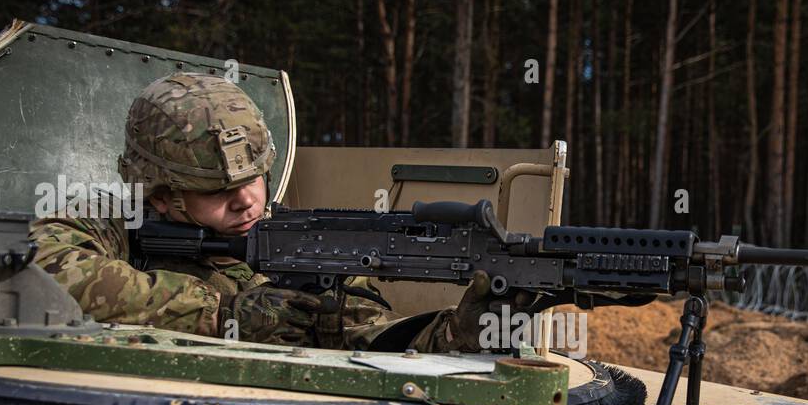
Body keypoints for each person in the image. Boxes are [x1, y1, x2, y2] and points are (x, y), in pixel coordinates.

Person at [29, 72, 490, 351]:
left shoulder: (306, 250)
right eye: (216, 190)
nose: (248, 200)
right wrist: (222, 313)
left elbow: (379, 345)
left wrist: (466, 330)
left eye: (254, 177)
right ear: (157, 194)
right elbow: (44, 270)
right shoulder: (114, 223)